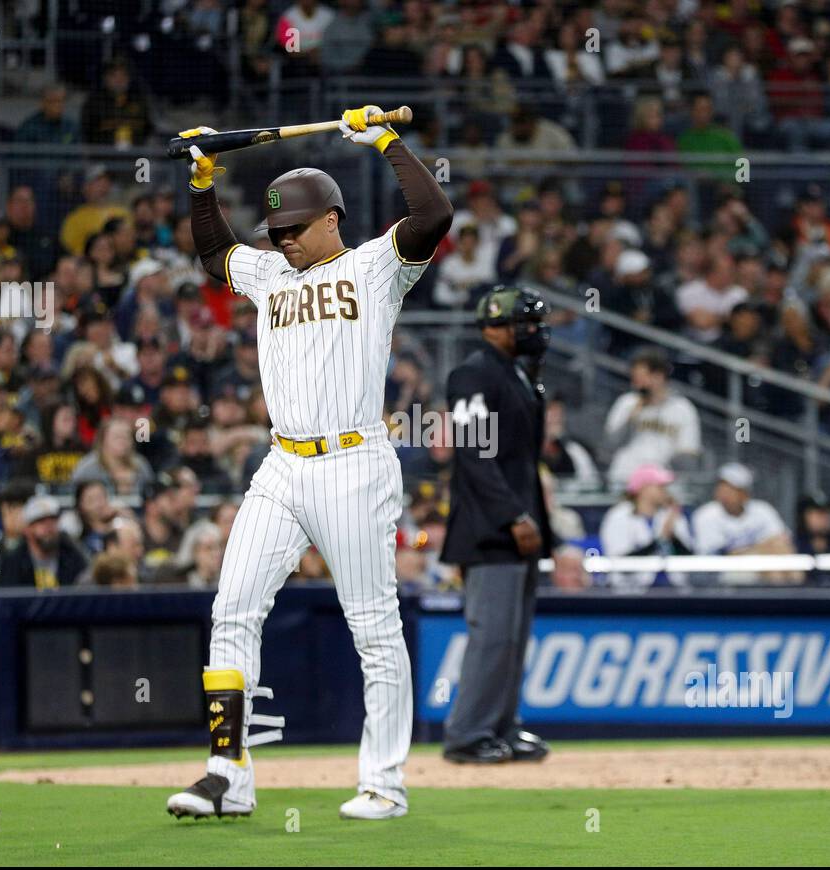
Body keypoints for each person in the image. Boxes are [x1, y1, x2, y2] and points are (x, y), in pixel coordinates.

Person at [164, 104, 451, 823]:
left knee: (373, 626)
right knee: (231, 609)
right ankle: (227, 773)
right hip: (281, 465)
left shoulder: (374, 265)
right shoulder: (271, 275)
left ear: (331, 218)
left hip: (354, 462)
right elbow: (214, 256)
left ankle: (384, 783)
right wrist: (202, 181)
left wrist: (386, 142)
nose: (283, 241)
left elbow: (434, 214)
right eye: (277, 232)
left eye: (294, 228)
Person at [438, 286, 553, 765]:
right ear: (495, 325)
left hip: (520, 526)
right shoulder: (473, 374)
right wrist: (513, 516)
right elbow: (473, 453)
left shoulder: (515, 373)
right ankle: (468, 734)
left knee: (513, 636)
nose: (534, 332)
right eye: (524, 323)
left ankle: (503, 726)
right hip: (490, 528)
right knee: (492, 636)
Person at [604, 349, 701, 486]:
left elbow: (688, 453)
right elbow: (609, 444)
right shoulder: (626, 402)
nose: (635, 384)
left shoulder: (682, 408)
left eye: (641, 378)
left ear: (659, 376)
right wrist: (630, 419)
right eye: (634, 379)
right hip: (624, 477)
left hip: (662, 482)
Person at [690, 463, 798, 583]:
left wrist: (759, 550)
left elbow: (782, 540)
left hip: (760, 563)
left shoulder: (762, 509)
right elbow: (717, 558)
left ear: (744, 494)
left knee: (782, 554)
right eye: (722, 487)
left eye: (732, 489)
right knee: (769, 562)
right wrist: (760, 548)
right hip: (723, 573)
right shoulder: (706, 515)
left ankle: (796, 597)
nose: (725, 493)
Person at [600, 463, 692, 590]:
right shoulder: (619, 516)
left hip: (673, 590)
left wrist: (673, 538)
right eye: (659, 486)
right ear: (643, 488)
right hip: (628, 593)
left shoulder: (672, 515)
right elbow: (621, 566)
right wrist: (660, 540)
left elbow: (690, 561)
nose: (664, 491)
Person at [0, 495, 89, 590]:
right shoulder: (13, 562)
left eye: (53, 520)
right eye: (41, 521)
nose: (49, 526)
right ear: (27, 529)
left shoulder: (73, 556)